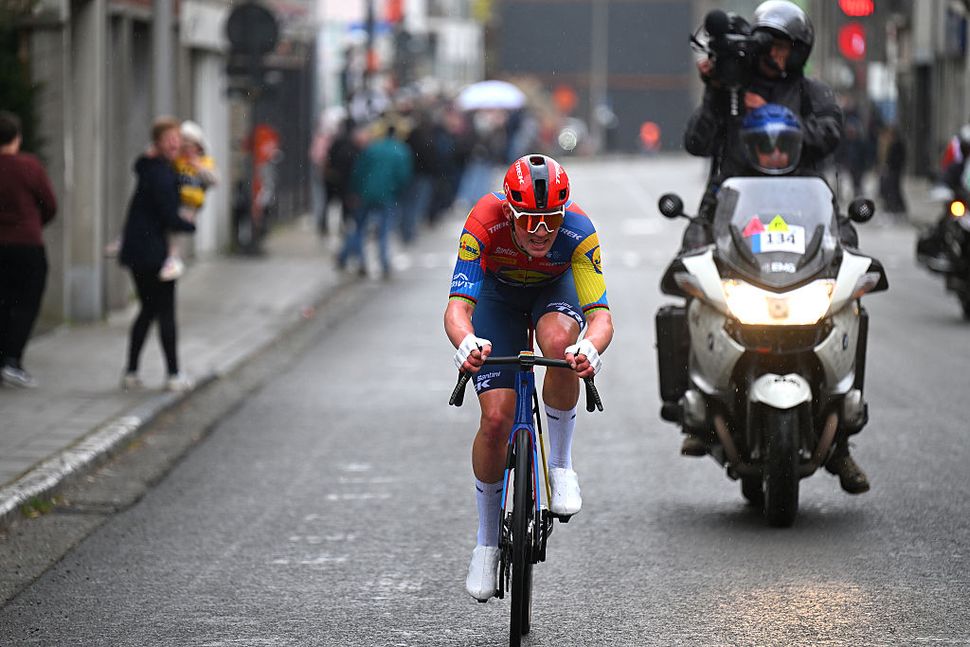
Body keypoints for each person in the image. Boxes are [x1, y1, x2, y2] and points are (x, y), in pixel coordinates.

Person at [444, 154, 614, 601]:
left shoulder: (579, 231)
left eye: (551, 219)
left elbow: (601, 317)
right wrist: (465, 341)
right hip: (497, 301)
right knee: (496, 419)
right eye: (530, 221)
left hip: (552, 294)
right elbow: (458, 308)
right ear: (509, 212)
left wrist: (589, 349)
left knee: (561, 345)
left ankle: (559, 465)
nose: (542, 232)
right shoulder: (483, 219)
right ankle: (485, 542)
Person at [682, 0, 842, 249]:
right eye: (770, 46)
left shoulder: (812, 92)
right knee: (691, 263)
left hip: (800, 209)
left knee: (846, 260)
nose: (775, 54)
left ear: (797, 51)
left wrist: (770, 113)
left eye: (782, 47)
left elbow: (829, 135)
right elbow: (696, 143)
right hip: (734, 209)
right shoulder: (732, 89)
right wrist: (714, 91)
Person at [119, 117, 197, 392]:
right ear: (157, 143)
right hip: (153, 254)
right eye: (168, 139)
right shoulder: (162, 174)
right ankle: (174, 374)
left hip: (138, 252)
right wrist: (190, 223)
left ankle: (131, 372)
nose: (174, 143)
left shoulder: (150, 168)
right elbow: (168, 216)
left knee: (148, 310)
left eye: (177, 137)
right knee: (165, 312)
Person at [0, 110, 57, 388]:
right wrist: (34, 222)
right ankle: (12, 361)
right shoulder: (29, 167)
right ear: (17, 138)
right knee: (26, 304)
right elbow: (50, 203)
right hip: (26, 245)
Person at [337, 122, 412, 279]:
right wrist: (396, 190)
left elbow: (358, 172)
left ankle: (355, 260)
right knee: (384, 230)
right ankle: (384, 264)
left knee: (359, 228)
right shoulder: (401, 151)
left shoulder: (371, 149)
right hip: (387, 195)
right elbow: (404, 176)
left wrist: (354, 191)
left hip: (365, 193)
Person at [159, 120, 219, 281]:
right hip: (176, 200)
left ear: (198, 146)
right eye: (183, 144)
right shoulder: (178, 161)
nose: (186, 148)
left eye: (190, 145)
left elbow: (215, 180)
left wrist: (199, 168)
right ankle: (171, 258)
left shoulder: (204, 163)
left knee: (175, 229)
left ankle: (173, 259)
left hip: (191, 205)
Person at [918, 125, 970, 271]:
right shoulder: (959, 167)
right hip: (965, 207)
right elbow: (945, 178)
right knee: (945, 223)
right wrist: (943, 188)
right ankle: (941, 252)